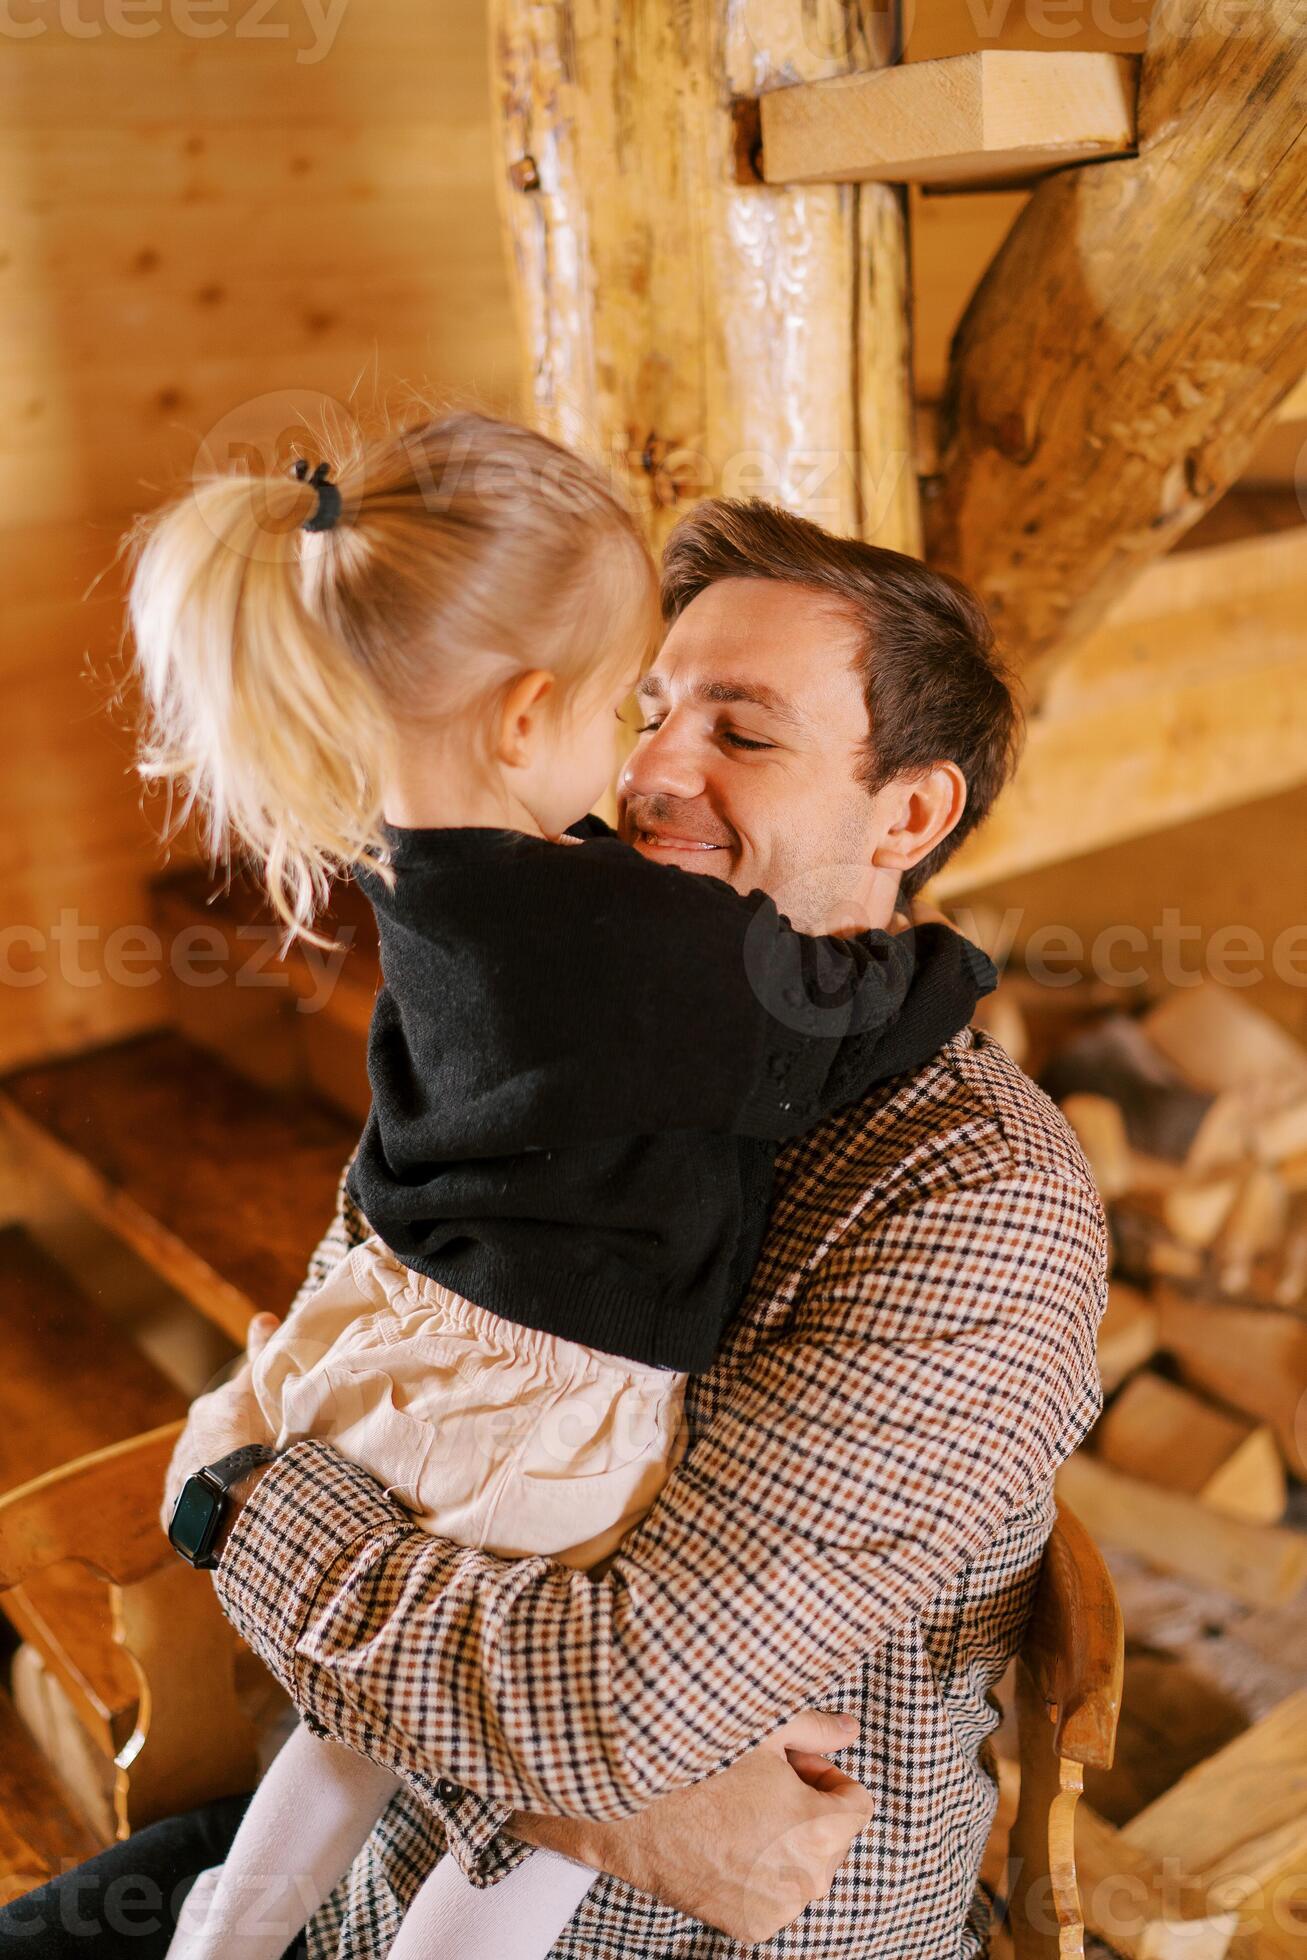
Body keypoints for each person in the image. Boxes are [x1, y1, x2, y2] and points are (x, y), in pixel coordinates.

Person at [1, 486, 1108, 1960]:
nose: (652, 772)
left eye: (744, 732)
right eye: (645, 710)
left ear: (907, 812)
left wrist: (238, 1507)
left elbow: (599, 1700)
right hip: (363, 1849)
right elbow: (360, 1400)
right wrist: (609, 1792)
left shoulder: (977, 1207)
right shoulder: (568, 1012)